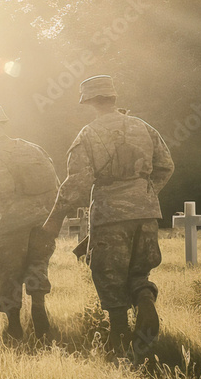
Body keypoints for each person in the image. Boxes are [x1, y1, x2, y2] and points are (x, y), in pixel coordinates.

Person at [44, 74, 175, 362]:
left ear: (88, 101)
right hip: (146, 213)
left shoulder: (89, 134)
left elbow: (78, 180)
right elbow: (166, 166)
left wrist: (54, 218)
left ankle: (118, 345)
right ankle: (144, 298)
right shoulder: (144, 128)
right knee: (139, 272)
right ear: (113, 97)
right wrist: (145, 192)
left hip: (109, 214)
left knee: (109, 276)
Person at [0, 104, 59, 342]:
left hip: (13, 222)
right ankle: (39, 307)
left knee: (7, 271)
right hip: (42, 220)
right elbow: (54, 184)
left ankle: (14, 326)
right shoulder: (33, 149)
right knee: (38, 264)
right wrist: (52, 218)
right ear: (2, 123)